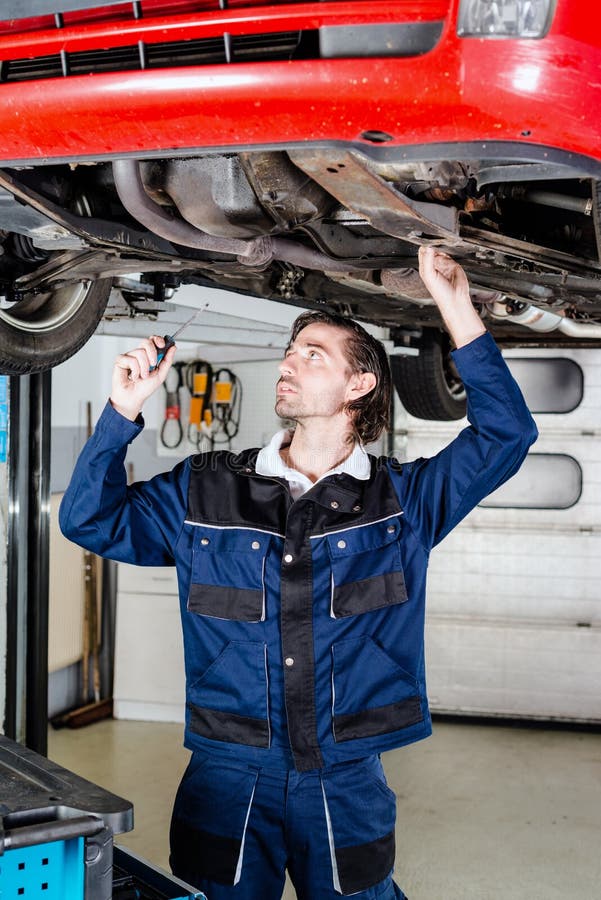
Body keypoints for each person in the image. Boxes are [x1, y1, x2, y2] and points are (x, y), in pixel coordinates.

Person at [60, 247, 538, 899]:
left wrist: (453, 304)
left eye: (313, 352)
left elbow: (506, 435)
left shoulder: (404, 502)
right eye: (291, 350)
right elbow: (90, 521)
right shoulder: (206, 490)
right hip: (225, 776)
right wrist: (119, 414)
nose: (289, 360)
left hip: (344, 780)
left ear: (359, 385)